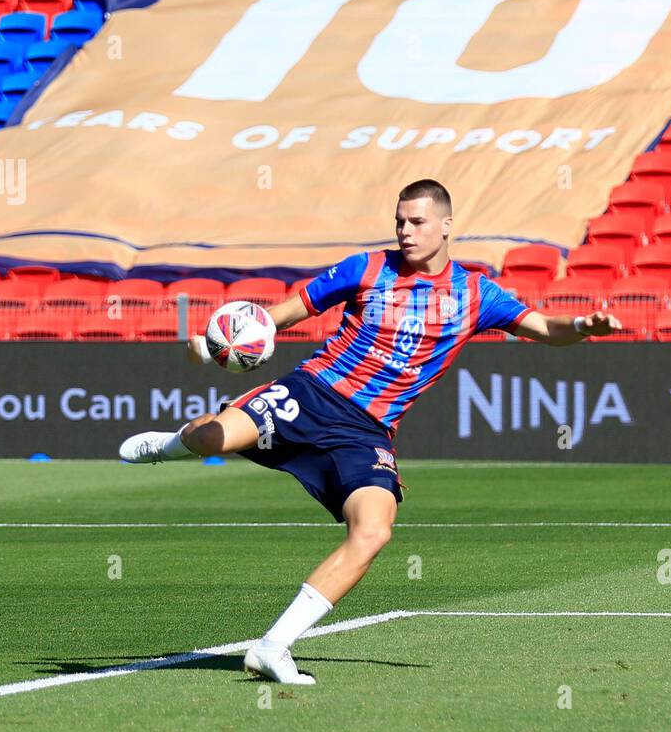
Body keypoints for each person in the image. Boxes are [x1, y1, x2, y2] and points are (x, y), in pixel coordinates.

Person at [118, 179, 621, 683]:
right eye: (400, 221)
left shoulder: (475, 293)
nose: (405, 231)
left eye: (417, 222)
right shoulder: (366, 268)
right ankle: (165, 445)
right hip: (311, 394)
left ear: (447, 226)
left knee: (375, 529)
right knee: (211, 439)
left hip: (367, 431)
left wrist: (582, 326)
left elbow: (546, 330)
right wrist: (218, 342)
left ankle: (273, 646)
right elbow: (284, 315)